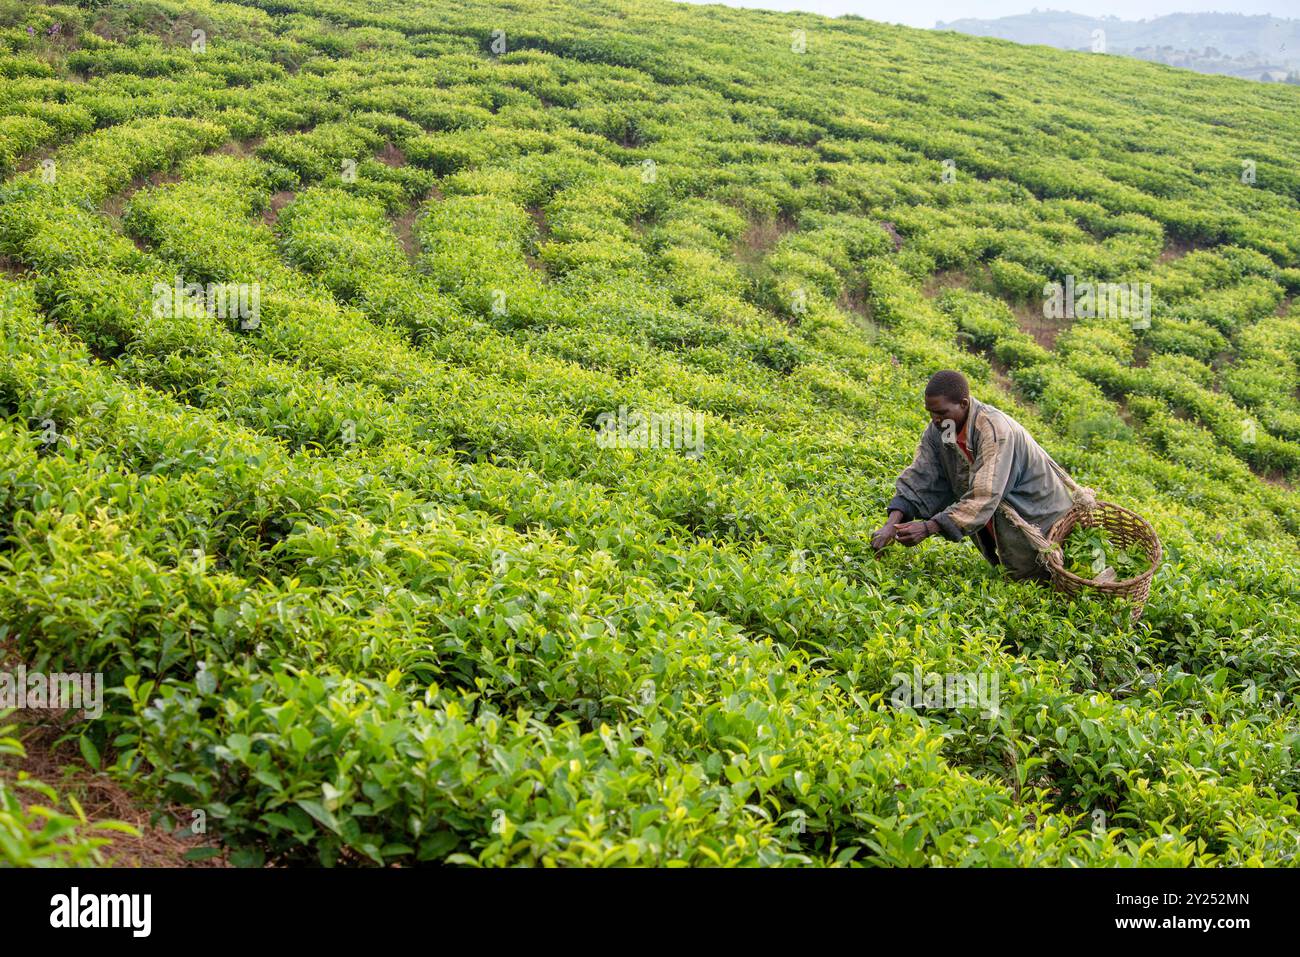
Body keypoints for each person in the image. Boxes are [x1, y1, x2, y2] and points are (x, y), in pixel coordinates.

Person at [871, 370, 1075, 580]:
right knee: (1013, 579)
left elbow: (984, 495)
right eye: (931, 413)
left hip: (1041, 516)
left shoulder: (994, 431)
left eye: (941, 412)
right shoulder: (943, 428)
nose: (935, 420)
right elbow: (921, 476)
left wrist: (928, 528)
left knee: (1046, 577)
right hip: (1001, 520)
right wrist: (891, 525)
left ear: (964, 404)